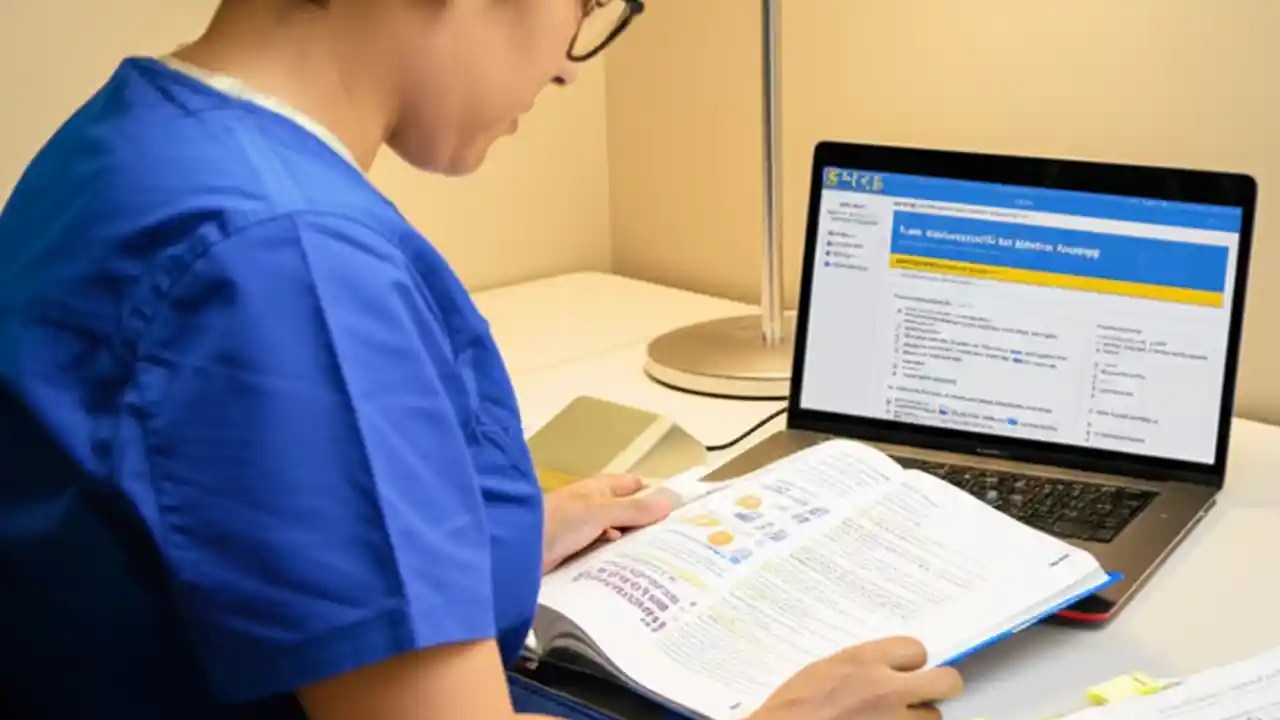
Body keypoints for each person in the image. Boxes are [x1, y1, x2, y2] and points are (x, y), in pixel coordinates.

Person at [0, 1, 964, 718]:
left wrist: (464, 540)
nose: (569, 68)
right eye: (584, 7)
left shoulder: (139, 133)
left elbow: (190, 519)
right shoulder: (288, 256)